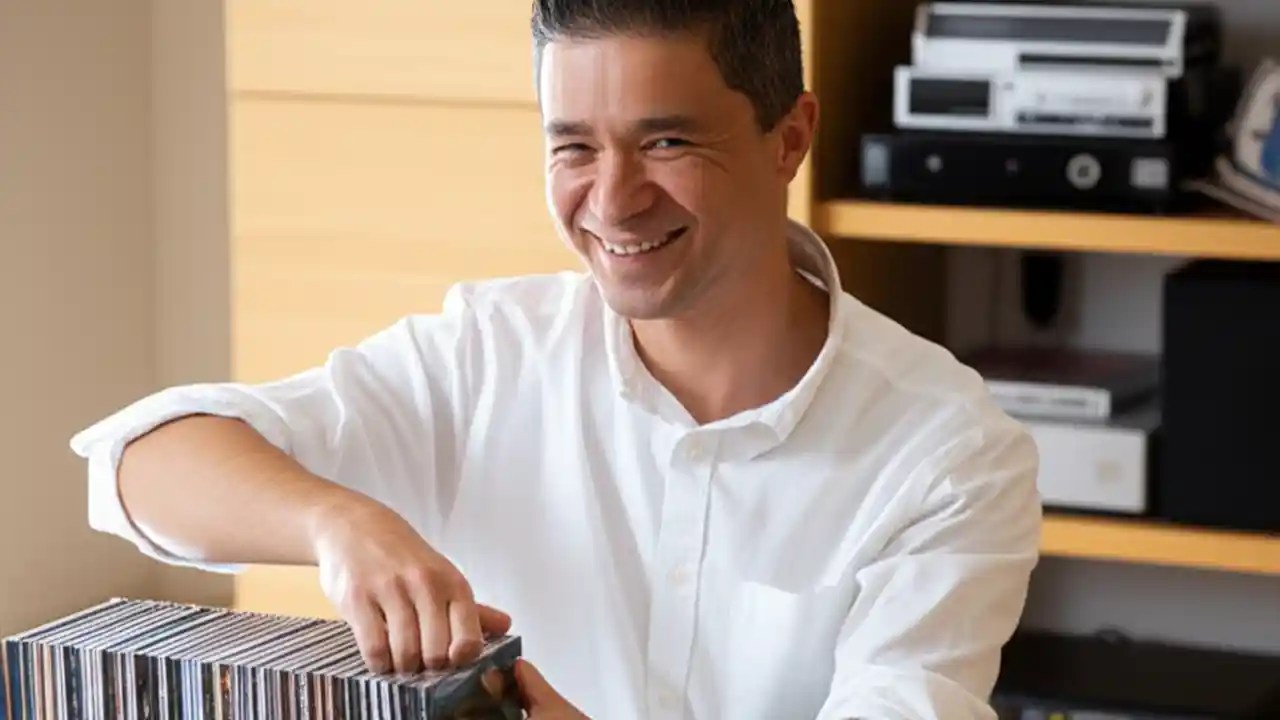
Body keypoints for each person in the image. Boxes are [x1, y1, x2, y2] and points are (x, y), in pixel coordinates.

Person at [70, 1, 1043, 718]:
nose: (611, 202)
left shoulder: (948, 451)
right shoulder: (486, 352)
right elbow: (135, 465)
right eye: (572, 147)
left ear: (787, 138)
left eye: (665, 141)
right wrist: (338, 523)